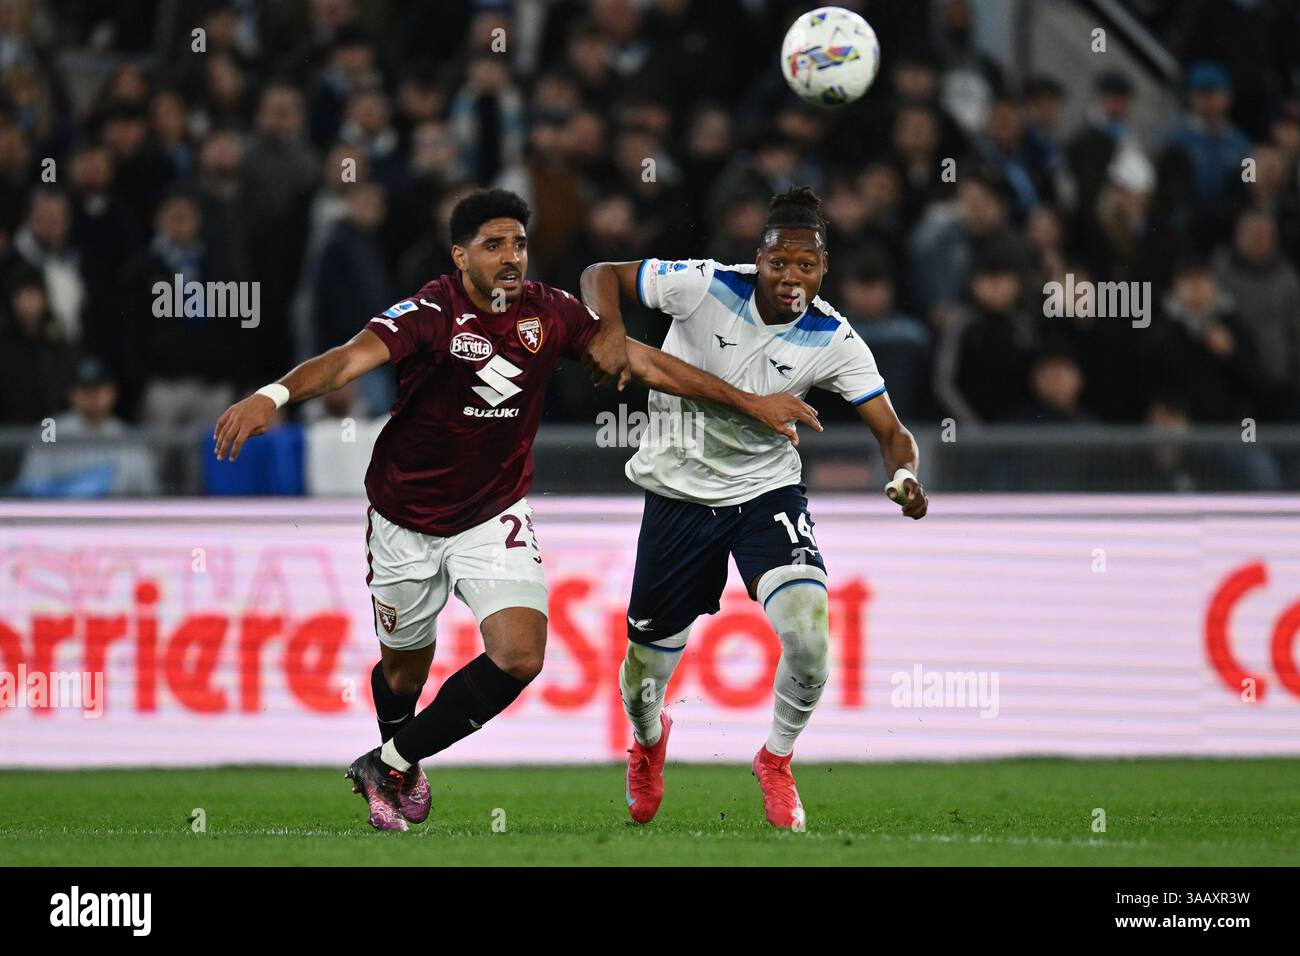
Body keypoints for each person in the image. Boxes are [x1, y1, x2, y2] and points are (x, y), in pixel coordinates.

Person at [211, 188, 816, 831]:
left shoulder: (549, 314)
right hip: (403, 520)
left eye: (519, 244)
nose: (510, 258)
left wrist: (751, 403)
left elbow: (645, 363)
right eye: (493, 245)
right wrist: (272, 395)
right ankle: (399, 757)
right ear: (459, 255)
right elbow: (347, 360)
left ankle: (387, 762)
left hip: (492, 514)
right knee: (402, 669)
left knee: (521, 656)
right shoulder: (430, 311)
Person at [581, 186, 929, 832]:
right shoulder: (701, 286)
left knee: (809, 636)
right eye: (779, 263)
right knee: (643, 680)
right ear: (758, 259)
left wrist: (905, 473)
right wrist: (611, 330)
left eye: (807, 265)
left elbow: (891, 430)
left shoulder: (834, 337)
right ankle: (649, 743)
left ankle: (775, 759)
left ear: (824, 269)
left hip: (765, 492)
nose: (791, 277)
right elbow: (600, 275)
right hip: (678, 494)